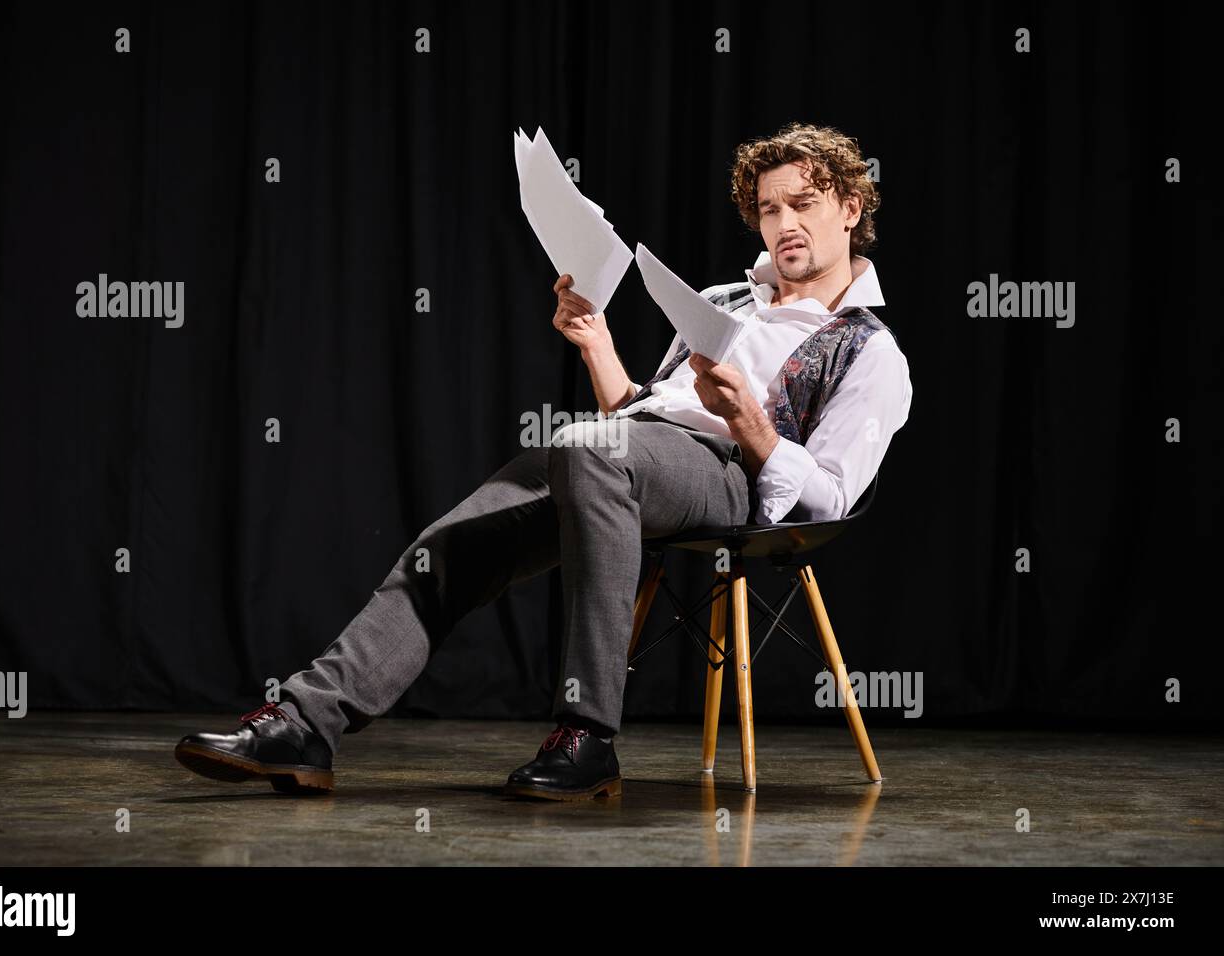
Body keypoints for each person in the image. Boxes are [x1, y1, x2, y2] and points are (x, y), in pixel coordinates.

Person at [174, 121, 913, 801]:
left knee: (591, 452)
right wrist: (595, 341)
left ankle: (587, 735)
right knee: (449, 549)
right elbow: (635, 415)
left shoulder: (869, 350)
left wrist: (750, 421)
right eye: (768, 208)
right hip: (628, 456)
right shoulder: (727, 299)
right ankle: (307, 724)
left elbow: (828, 500)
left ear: (849, 207)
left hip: (730, 476)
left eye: (804, 204)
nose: (784, 224)